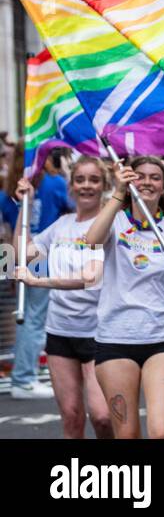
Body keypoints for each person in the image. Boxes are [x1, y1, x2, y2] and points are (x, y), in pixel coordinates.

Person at [84, 156, 164, 439]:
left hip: (162, 338)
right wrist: (118, 193)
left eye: (156, 178)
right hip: (115, 340)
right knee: (126, 435)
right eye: (140, 176)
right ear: (130, 181)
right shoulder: (114, 221)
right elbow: (91, 241)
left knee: (162, 432)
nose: (147, 182)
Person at [13, 156, 110, 437]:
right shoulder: (61, 225)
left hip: (99, 333)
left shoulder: (109, 225)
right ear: (71, 186)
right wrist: (25, 206)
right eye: (80, 180)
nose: (87, 186)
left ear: (104, 186)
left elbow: (91, 278)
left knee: (103, 417)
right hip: (60, 332)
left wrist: (41, 281)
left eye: (94, 180)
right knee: (71, 417)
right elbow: (19, 257)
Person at [2, 146, 72, 399]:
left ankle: (26, 373)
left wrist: (8, 269)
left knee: (26, 316)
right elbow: (73, 208)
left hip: (16, 252)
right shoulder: (54, 184)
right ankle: (24, 377)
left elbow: (8, 233)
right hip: (41, 252)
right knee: (34, 318)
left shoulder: (6, 191)